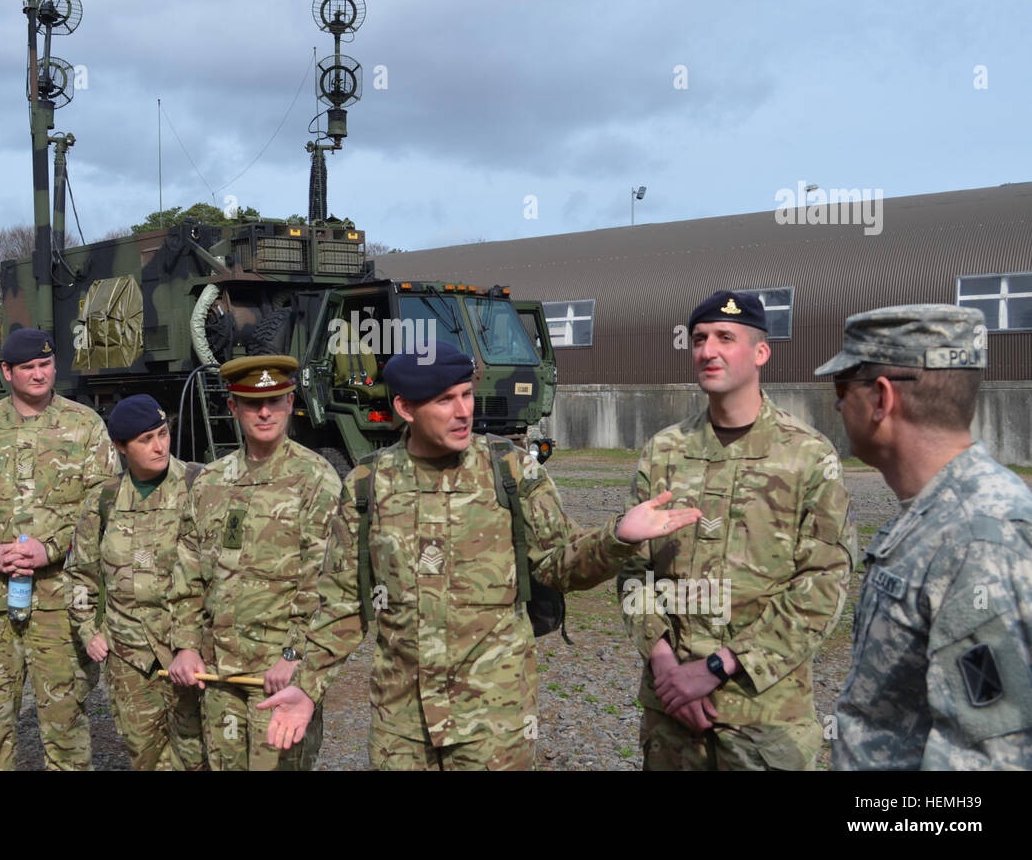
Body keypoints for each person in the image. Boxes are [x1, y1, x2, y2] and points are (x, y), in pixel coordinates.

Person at [258, 341, 699, 770]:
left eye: (466, 394)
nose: (464, 410)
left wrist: (616, 537)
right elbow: (342, 601)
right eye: (445, 400)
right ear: (406, 409)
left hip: (494, 724)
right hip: (403, 730)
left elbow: (559, 565)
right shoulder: (368, 484)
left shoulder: (510, 469)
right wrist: (307, 685)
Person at [609, 290, 856, 770]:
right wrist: (665, 665)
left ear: (761, 352)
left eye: (726, 337)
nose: (707, 351)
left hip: (761, 717)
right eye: (699, 339)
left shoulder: (807, 455)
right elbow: (634, 569)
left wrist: (717, 667)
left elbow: (824, 584)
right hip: (672, 719)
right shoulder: (664, 452)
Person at [816, 304, 1032, 769]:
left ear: (881, 398)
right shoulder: (931, 512)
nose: (836, 404)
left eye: (841, 387)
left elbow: (991, 757)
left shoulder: (979, 538)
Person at [0, 327, 119, 770]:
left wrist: (51, 547)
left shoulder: (85, 425)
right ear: (7, 372)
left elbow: (104, 502)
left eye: (45, 365)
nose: (39, 374)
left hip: (62, 602)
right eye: (28, 367)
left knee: (67, 723)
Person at [166, 355, 342, 771]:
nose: (264, 412)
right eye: (251, 403)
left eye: (275, 401)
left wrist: (292, 653)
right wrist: (187, 645)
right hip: (219, 672)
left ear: (289, 402)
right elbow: (187, 570)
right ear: (233, 408)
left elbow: (325, 583)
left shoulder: (315, 479)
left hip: (279, 674)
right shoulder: (210, 481)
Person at [63, 394, 206, 771]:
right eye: (146, 440)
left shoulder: (200, 485)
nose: (159, 446)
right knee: (145, 757)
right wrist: (87, 629)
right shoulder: (104, 500)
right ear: (121, 448)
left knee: (198, 757)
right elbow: (80, 573)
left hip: (189, 653)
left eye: (163, 433)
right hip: (130, 658)